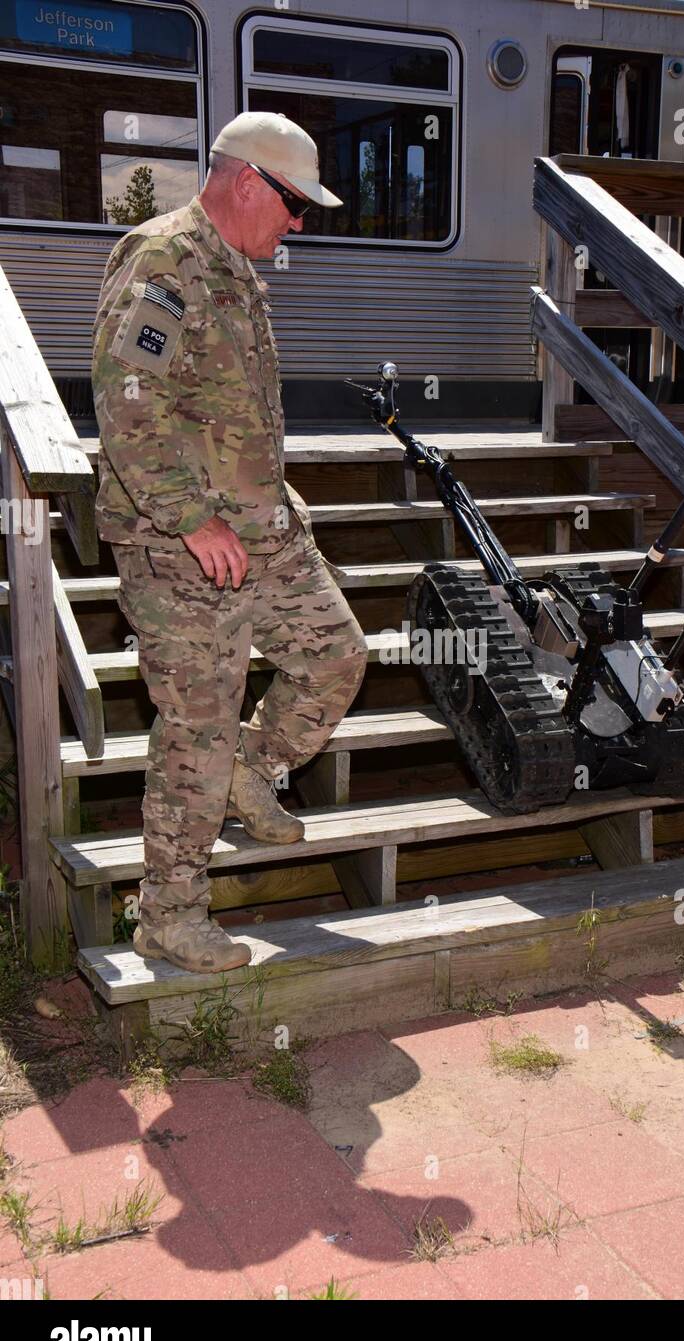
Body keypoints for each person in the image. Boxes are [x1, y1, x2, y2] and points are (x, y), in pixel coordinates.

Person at [91, 112, 367, 974]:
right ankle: (169, 914)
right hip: (179, 548)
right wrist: (187, 515)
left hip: (261, 534)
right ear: (249, 181)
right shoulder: (165, 260)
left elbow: (227, 411)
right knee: (195, 728)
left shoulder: (238, 268)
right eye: (294, 205)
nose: (298, 223)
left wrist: (269, 502)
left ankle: (259, 766)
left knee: (336, 656)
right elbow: (127, 399)